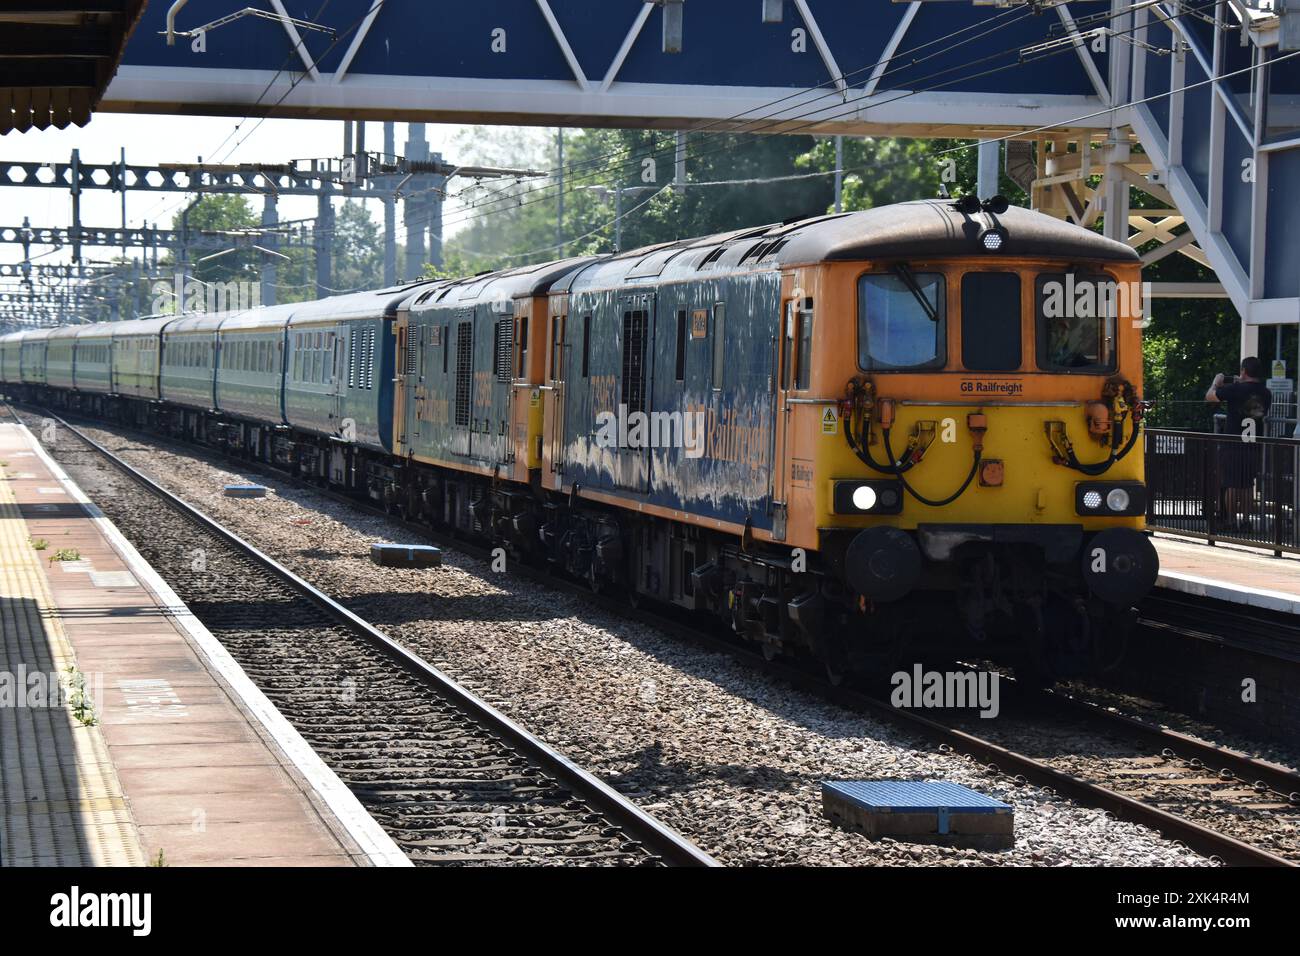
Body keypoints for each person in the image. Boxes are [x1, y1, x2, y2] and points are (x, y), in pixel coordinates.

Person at [1205, 356, 1272, 529]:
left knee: (1231, 484)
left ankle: (1231, 521)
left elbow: (1210, 397)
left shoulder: (1235, 389)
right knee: (1248, 484)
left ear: (1243, 371)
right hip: (1252, 444)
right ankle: (1246, 521)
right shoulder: (1266, 393)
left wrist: (1216, 382)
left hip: (1233, 444)